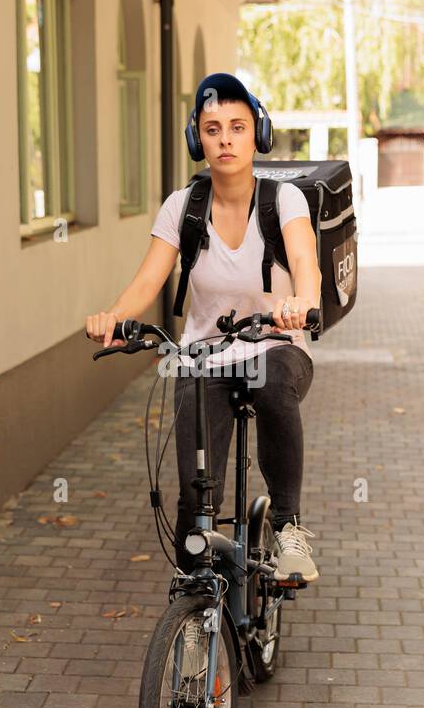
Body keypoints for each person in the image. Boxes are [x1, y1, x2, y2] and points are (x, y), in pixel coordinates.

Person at [86, 71, 321, 582]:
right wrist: (115, 316)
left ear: (256, 133)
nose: (225, 140)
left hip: (274, 346)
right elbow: (148, 279)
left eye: (237, 127)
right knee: (195, 493)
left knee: (275, 386)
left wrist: (302, 302)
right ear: (198, 139)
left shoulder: (284, 201)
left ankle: (288, 529)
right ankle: (198, 601)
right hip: (203, 356)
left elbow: (307, 263)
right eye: (212, 129)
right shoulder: (182, 206)